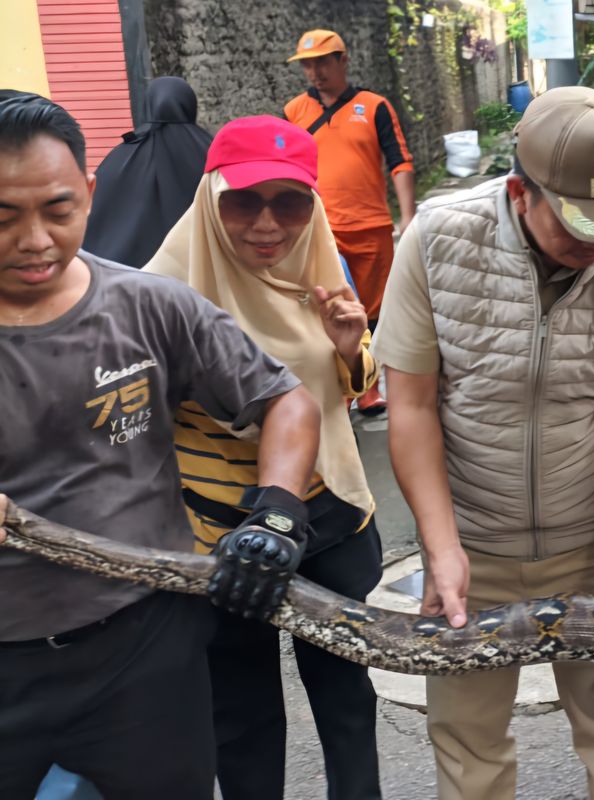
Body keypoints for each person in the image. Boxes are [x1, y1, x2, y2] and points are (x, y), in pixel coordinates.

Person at [0, 93, 320, 799]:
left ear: (90, 192)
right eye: (3, 217)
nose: (34, 241)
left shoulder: (149, 305)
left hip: (146, 647)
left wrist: (274, 514)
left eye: (57, 211)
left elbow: (287, 399)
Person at [373, 85, 594, 800]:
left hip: (587, 545)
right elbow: (412, 406)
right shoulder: (437, 238)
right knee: (470, 744)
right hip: (471, 548)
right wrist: (441, 548)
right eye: (578, 224)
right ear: (520, 192)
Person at [144, 115, 385, 800]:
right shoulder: (160, 293)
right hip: (215, 532)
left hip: (328, 518)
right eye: (244, 201)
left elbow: (354, 389)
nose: (267, 225)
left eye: (290, 201)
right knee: (241, 713)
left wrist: (348, 347)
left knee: (345, 695)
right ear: (210, 198)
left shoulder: (317, 265)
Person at [285, 27, 417, 415]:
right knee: (328, 310)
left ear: (343, 60)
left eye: (322, 62)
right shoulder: (294, 111)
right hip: (320, 229)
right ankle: (342, 389)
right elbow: (288, 168)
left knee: (374, 312)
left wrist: (408, 217)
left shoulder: (373, 106)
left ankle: (370, 387)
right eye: (307, 65)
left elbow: (400, 161)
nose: (314, 73)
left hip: (371, 227)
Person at [81, 76, 212, 268]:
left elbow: (99, 217)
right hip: (202, 270)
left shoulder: (123, 155)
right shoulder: (212, 150)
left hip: (133, 279)